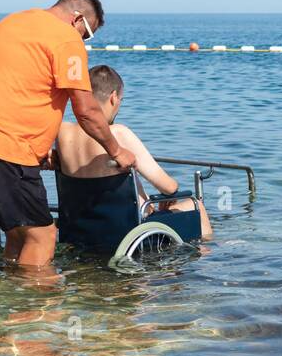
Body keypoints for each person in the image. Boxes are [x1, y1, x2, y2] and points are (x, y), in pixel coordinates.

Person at [0, 0, 136, 267]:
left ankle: (5, 304)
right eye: (87, 34)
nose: (84, 41)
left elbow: (15, 87)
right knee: (44, 236)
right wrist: (117, 151)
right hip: (0, 151)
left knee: (17, 234)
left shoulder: (11, 23)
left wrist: (39, 148)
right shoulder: (66, 37)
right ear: (77, 19)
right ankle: (36, 309)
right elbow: (87, 111)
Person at [56, 65, 212, 239]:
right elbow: (168, 186)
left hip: (80, 228)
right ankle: (209, 260)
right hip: (128, 231)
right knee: (196, 205)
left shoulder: (63, 132)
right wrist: (170, 193)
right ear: (114, 98)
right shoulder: (119, 133)